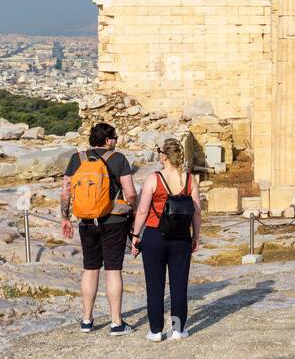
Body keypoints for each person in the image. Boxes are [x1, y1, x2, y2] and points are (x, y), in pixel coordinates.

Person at [61, 122, 138, 335]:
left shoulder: (77, 158)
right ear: (107, 140)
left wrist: (65, 218)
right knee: (113, 269)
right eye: (115, 137)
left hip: (86, 220)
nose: (116, 141)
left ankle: (87, 320)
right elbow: (130, 193)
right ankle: (116, 322)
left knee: (90, 268)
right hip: (114, 220)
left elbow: (66, 191)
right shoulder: (118, 158)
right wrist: (134, 212)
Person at [130, 139, 201, 341]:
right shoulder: (189, 180)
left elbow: (143, 210)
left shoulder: (154, 178)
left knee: (155, 285)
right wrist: (196, 236)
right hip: (181, 238)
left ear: (163, 155)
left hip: (154, 235)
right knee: (179, 285)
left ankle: (156, 331)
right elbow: (196, 212)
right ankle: (178, 330)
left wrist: (135, 236)